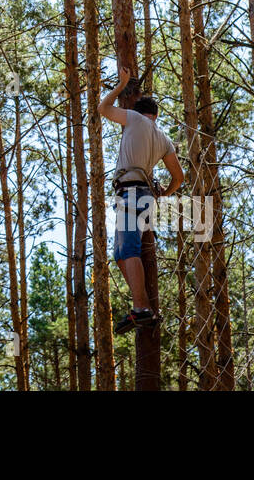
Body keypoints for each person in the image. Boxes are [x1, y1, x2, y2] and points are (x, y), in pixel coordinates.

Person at [99, 63, 184, 334]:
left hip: (130, 193)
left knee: (128, 251)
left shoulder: (134, 119)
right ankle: (143, 306)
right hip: (145, 197)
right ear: (155, 115)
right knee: (119, 254)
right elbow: (179, 177)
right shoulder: (163, 138)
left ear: (137, 113)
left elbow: (103, 109)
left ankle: (141, 309)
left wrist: (121, 86)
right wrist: (164, 193)